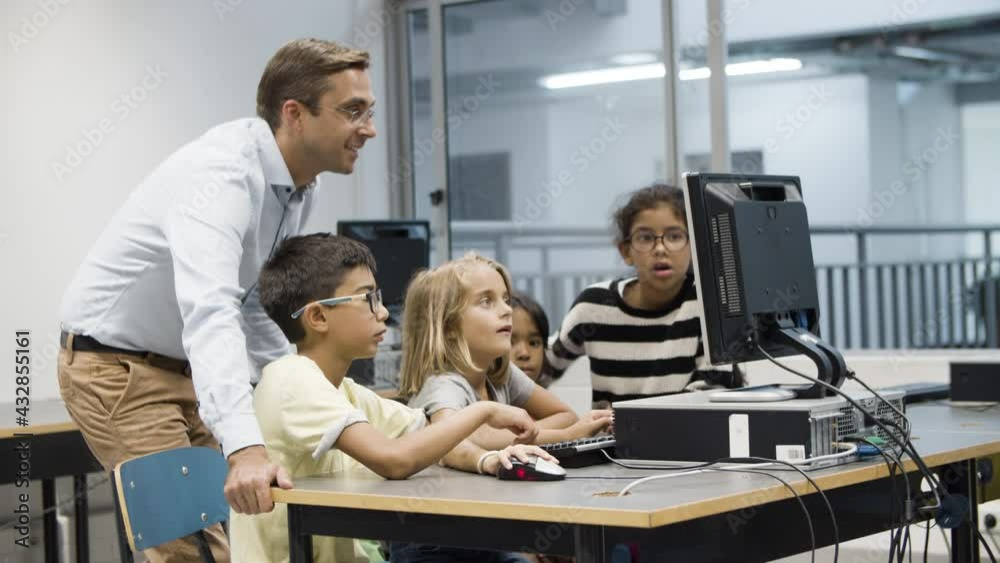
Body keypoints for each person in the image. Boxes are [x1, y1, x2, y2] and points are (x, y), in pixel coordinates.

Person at [56, 38, 377, 561]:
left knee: (235, 537)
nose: (369, 128)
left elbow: (250, 306)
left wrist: (306, 386)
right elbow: (210, 311)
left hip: (183, 365)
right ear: (295, 114)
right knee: (191, 550)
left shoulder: (299, 186)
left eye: (370, 111)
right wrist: (245, 448)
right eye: (352, 111)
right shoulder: (223, 176)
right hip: (116, 367)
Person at [230, 233, 551, 563]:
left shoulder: (348, 393)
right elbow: (394, 460)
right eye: (367, 299)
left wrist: (489, 459)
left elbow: (433, 438)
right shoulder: (291, 378)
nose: (383, 312)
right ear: (318, 317)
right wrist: (483, 410)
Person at [392, 253, 612, 563]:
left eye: (505, 299)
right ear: (449, 327)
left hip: (483, 540)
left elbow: (564, 415)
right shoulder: (444, 385)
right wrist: (566, 435)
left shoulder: (501, 372)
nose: (507, 309)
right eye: (486, 302)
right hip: (432, 544)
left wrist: (547, 433)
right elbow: (453, 443)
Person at [547, 183, 744, 409]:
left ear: (694, 245)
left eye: (674, 236)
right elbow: (542, 369)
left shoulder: (708, 306)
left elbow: (707, 400)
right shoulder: (594, 307)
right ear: (625, 251)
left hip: (688, 439)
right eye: (646, 238)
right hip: (611, 444)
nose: (660, 248)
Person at [510, 291, 555, 387]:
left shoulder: (547, 400)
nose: (524, 353)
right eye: (510, 342)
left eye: (533, 343)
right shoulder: (478, 400)